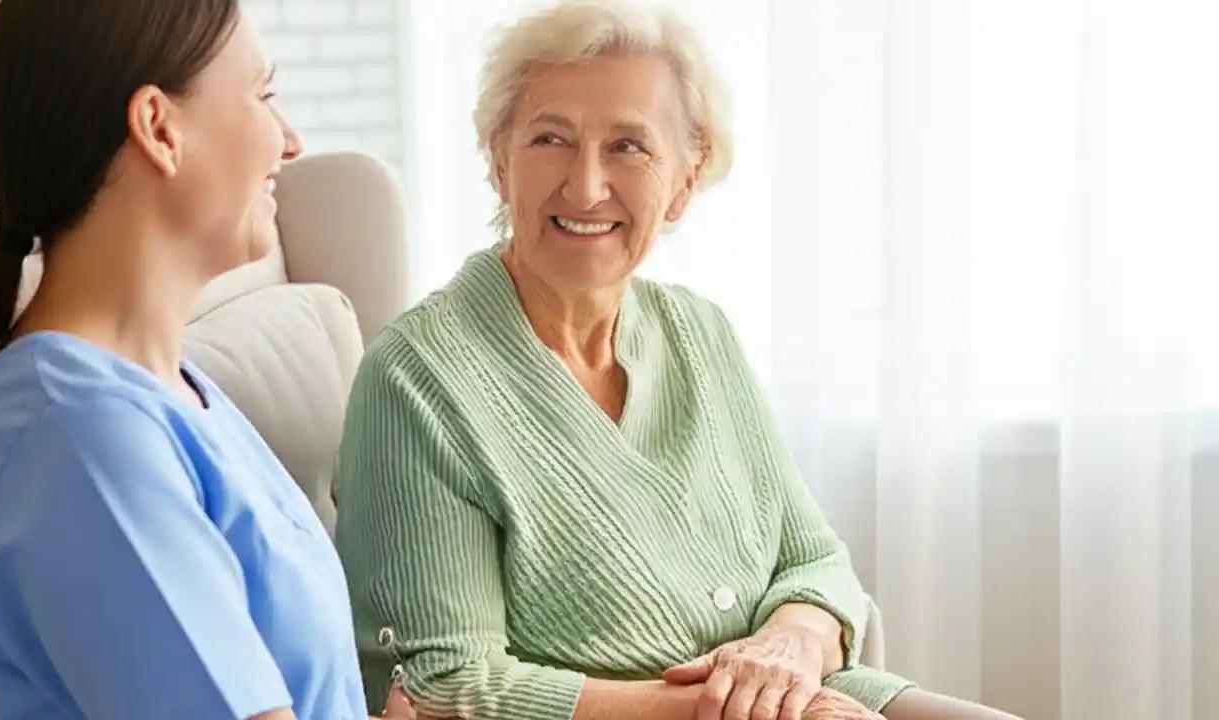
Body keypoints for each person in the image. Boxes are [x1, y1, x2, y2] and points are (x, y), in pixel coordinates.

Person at [335, 2, 1023, 720]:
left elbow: (816, 560)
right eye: (550, 139)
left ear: (685, 181)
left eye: (629, 147)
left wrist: (790, 646)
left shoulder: (699, 332)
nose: (587, 186)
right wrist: (726, 710)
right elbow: (446, 683)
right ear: (499, 163)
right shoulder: (416, 378)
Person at [0, 2, 410, 718]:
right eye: (263, 95)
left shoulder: (175, 397)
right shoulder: (73, 435)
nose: (290, 141)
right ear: (160, 128)